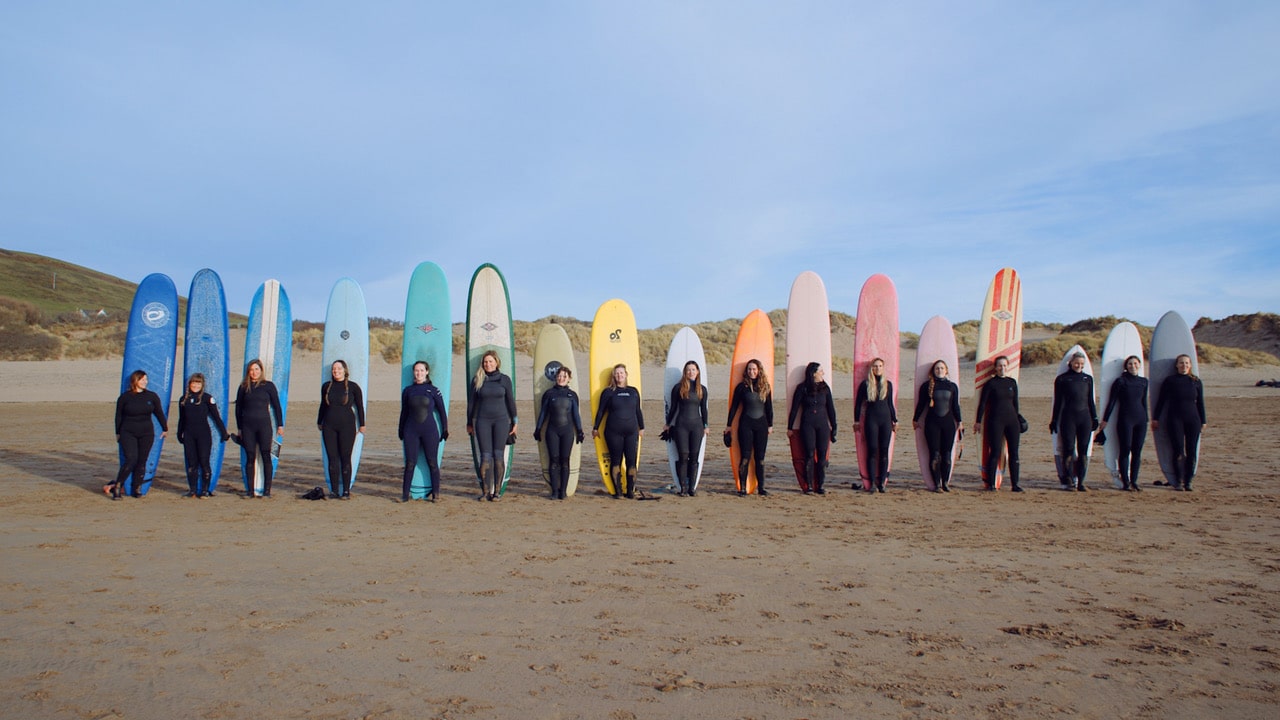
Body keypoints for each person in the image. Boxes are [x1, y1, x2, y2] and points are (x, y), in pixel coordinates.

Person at [110, 369, 168, 500]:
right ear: (135, 381)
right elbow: (118, 416)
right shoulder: (125, 398)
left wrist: (165, 428)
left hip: (146, 433)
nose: (145, 382)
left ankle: (137, 487)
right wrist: (117, 432)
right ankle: (118, 486)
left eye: (146, 379)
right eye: (142, 380)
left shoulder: (152, 396)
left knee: (142, 461)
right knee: (131, 459)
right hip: (128, 432)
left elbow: (159, 413)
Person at [467, 350, 517, 501]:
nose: (488, 364)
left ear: (496, 362)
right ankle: (485, 491)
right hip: (483, 422)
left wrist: (515, 421)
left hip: (501, 421)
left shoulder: (505, 379)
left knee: (498, 456)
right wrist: (469, 422)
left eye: (490, 361)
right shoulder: (478, 379)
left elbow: (510, 401)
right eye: (485, 362)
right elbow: (471, 404)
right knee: (485, 457)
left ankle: (497, 493)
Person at [1151, 354, 1206, 491]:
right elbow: (1161, 401)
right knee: (1178, 450)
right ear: (1176, 365)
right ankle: (1179, 481)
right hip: (1175, 419)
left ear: (1191, 365)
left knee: (1192, 451)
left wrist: (1203, 420)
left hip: (1193, 420)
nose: (1184, 365)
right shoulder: (1170, 381)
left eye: (1187, 363)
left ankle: (1189, 481)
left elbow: (1200, 403)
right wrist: (1156, 418)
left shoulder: (1196, 381)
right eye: (1181, 363)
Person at [398, 360, 448, 502]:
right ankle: (405, 495)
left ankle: (436, 494)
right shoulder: (408, 391)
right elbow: (404, 412)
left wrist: (445, 428)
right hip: (411, 431)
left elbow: (442, 412)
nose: (419, 373)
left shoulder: (433, 390)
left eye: (421, 370)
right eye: (416, 370)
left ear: (426, 372)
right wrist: (400, 428)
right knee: (410, 463)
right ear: (414, 373)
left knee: (432, 462)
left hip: (429, 431)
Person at [592, 363, 645, 498]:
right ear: (614, 376)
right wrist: (595, 428)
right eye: (617, 373)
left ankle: (630, 491)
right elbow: (601, 411)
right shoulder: (608, 392)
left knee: (631, 461)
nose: (619, 375)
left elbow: (638, 410)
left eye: (621, 373)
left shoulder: (633, 391)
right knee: (616, 461)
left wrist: (642, 427)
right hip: (613, 432)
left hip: (631, 432)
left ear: (626, 375)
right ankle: (618, 492)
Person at [533, 366, 584, 500]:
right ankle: (554, 491)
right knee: (554, 460)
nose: (561, 378)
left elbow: (575, 415)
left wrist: (579, 431)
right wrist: (538, 429)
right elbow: (543, 413)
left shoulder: (572, 395)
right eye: (559, 376)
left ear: (569, 379)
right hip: (552, 431)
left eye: (564, 376)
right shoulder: (549, 394)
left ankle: (563, 491)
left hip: (567, 431)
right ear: (556, 378)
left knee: (565, 461)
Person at [235, 359, 284, 498]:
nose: (254, 372)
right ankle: (250, 491)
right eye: (251, 370)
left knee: (266, 455)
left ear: (261, 370)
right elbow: (238, 408)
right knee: (250, 457)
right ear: (248, 372)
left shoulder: (268, 386)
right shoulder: (244, 387)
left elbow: (276, 406)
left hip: (264, 426)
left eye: (256, 369)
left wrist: (280, 425)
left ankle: (267, 491)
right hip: (247, 426)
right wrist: (239, 428)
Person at [317, 360, 366, 499]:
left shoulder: (353, 387)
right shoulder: (326, 386)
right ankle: (333, 491)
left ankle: (346, 491)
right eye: (334, 369)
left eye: (339, 368)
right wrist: (319, 421)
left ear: (345, 370)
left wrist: (362, 424)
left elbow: (359, 406)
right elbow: (323, 405)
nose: (336, 371)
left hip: (347, 426)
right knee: (332, 458)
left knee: (345, 458)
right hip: (329, 426)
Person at [1099, 355, 1148, 492]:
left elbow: (1144, 403)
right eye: (1130, 364)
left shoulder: (1144, 381)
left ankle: (1134, 481)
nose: (1133, 366)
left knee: (1137, 452)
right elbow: (1112, 401)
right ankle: (1125, 481)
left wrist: (1147, 420)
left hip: (1141, 420)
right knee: (1125, 450)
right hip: (1125, 419)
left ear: (1139, 365)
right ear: (1126, 367)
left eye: (1135, 363)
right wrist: (1105, 420)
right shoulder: (1120, 381)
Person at [176, 373, 229, 498]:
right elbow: (182, 419)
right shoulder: (183, 399)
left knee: (204, 462)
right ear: (189, 384)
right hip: (189, 435)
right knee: (192, 463)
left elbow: (216, 417)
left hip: (203, 435)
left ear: (202, 385)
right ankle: (192, 490)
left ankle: (205, 490)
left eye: (198, 383)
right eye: (193, 382)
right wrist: (179, 433)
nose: (195, 385)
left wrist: (223, 432)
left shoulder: (207, 398)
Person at [1050, 352, 1098, 492]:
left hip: (1085, 418)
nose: (1079, 366)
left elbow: (1090, 401)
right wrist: (1054, 420)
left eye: (1082, 364)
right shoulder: (1062, 379)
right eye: (1077, 363)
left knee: (1083, 450)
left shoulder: (1087, 379)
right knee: (1069, 449)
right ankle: (1069, 479)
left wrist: (1094, 417)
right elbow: (1058, 402)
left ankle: (1081, 482)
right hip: (1068, 418)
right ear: (1070, 363)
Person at [725, 359, 773, 496]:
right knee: (745, 457)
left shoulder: (765, 387)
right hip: (746, 425)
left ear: (759, 371)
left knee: (760, 458)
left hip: (762, 425)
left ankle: (761, 488)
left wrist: (770, 424)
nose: (752, 372)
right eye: (749, 369)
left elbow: (769, 408)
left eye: (754, 369)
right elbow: (734, 407)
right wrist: (728, 425)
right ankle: (742, 488)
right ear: (746, 371)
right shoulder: (741, 387)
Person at [787, 362, 837, 495]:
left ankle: (820, 485)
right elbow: (794, 409)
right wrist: (790, 427)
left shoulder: (825, 388)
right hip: (807, 425)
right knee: (809, 454)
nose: (823, 374)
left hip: (823, 426)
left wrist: (834, 427)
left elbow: (831, 409)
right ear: (813, 373)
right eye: (821, 371)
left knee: (822, 456)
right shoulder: (802, 388)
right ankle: (808, 485)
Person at [913, 359, 962, 493]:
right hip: (932, 424)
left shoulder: (952, 386)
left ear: (946, 370)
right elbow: (921, 405)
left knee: (946, 455)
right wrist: (915, 419)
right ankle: (937, 484)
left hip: (948, 425)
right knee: (934, 455)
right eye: (937, 369)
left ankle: (945, 483)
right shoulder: (926, 386)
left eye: (942, 368)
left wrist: (960, 421)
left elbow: (955, 406)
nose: (939, 371)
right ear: (933, 371)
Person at [974, 355, 1022, 492]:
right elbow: (982, 404)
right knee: (995, 451)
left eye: (1005, 365)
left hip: (1012, 421)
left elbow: (1016, 404)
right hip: (995, 421)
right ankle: (991, 484)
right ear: (995, 368)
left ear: (1008, 367)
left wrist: (1018, 419)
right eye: (1000, 366)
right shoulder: (991, 384)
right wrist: (978, 421)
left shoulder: (1012, 383)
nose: (1002, 368)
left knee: (1014, 453)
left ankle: (1015, 484)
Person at [663, 361, 709, 497]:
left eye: (693, 370)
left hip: (697, 426)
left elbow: (704, 409)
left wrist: (706, 425)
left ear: (698, 371)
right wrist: (668, 424)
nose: (691, 372)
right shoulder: (678, 388)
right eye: (688, 370)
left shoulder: (702, 389)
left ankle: (692, 488)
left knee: (694, 457)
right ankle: (683, 487)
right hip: (681, 426)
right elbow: (673, 408)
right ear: (685, 372)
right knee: (683, 456)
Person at [854, 357, 898, 493]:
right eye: (875, 366)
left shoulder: (888, 384)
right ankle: (872, 482)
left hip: (886, 420)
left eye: (880, 366)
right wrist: (856, 421)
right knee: (872, 450)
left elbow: (890, 404)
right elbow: (858, 405)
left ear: (883, 368)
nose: (877, 368)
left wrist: (895, 420)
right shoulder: (865, 384)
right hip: (871, 420)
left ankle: (882, 483)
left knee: (884, 451)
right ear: (871, 369)